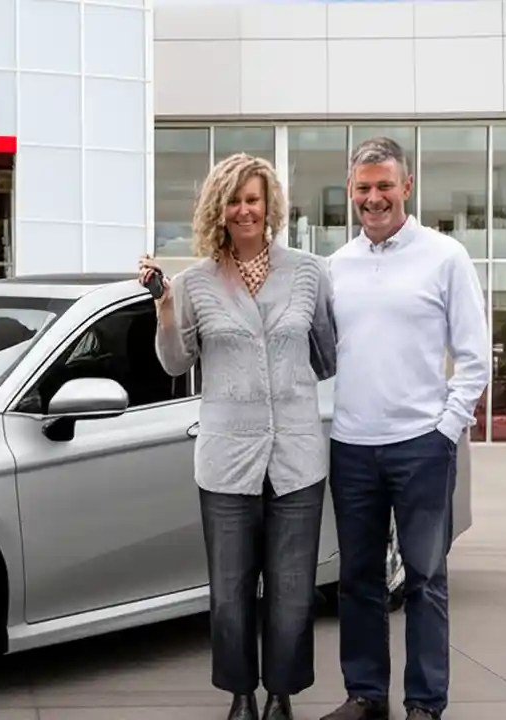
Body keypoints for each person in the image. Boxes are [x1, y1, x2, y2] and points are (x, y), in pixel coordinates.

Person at [137, 153, 337, 720]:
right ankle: (241, 694)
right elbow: (176, 364)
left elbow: (326, 355)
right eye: (235, 201)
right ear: (218, 210)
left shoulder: (309, 272)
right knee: (229, 591)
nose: (245, 210)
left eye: (254, 199)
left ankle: (281, 696)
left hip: (297, 456)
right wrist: (166, 308)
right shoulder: (193, 282)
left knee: (293, 589)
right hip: (227, 458)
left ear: (269, 205)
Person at [319, 137, 490, 720]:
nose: (374, 198)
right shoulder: (334, 268)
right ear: (351, 191)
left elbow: (474, 359)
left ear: (407, 187)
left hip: (422, 446)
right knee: (358, 581)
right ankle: (365, 696)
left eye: (384, 186)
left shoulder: (445, 257)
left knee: (424, 580)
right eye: (363, 188)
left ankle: (424, 704)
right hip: (351, 447)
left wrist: (445, 429)